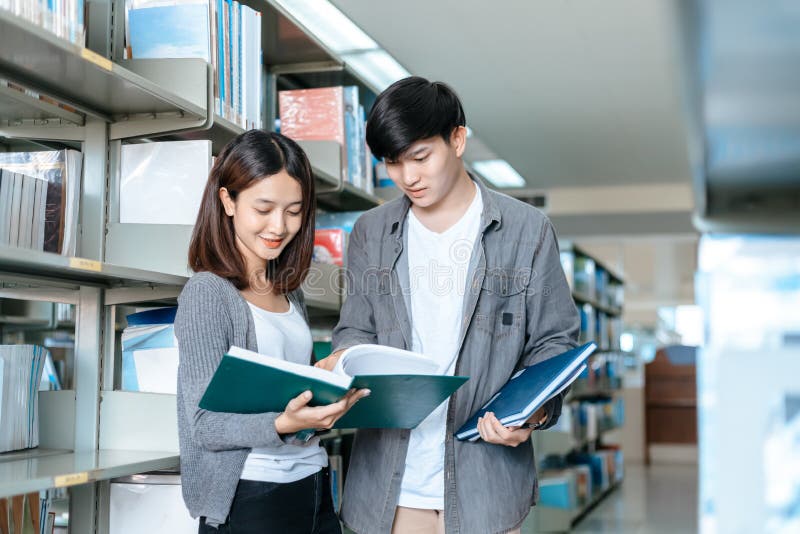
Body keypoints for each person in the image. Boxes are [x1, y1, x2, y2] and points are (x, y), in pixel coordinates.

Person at [316, 77, 580, 534]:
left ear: (458, 139)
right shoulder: (371, 233)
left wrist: (534, 413)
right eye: (392, 163)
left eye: (420, 157)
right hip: (390, 488)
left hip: (488, 487)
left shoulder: (526, 231)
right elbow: (354, 329)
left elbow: (554, 341)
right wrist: (341, 362)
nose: (408, 177)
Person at [174, 130, 368, 533]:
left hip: (313, 483)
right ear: (228, 201)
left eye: (294, 211)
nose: (279, 226)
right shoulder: (208, 293)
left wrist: (329, 384)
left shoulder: (288, 290)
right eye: (263, 208)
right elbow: (203, 425)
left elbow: (288, 392)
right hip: (252, 496)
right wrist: (284, 422)